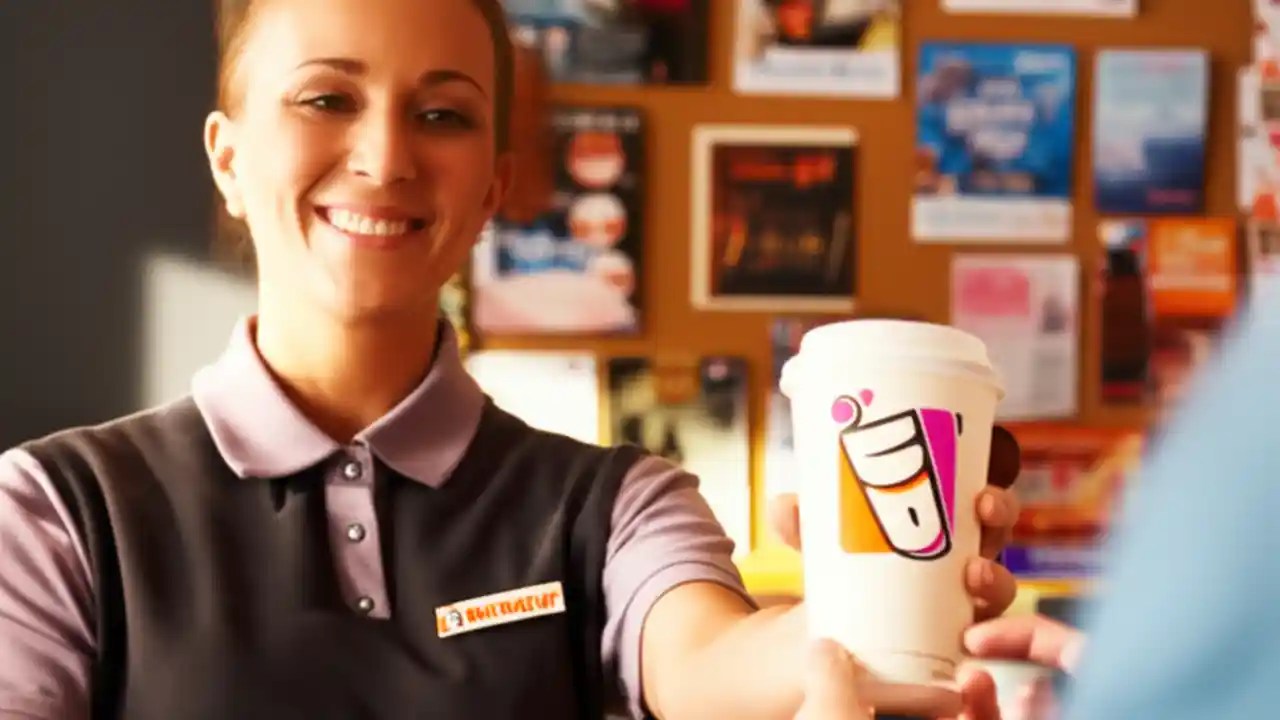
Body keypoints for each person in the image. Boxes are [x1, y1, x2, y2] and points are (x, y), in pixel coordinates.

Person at [0, 1, 1023, 718]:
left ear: (492, 188)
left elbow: (703, 662)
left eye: (440, 114)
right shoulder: (54, 512)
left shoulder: (616, 508)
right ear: (228, 158)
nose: (386, 158)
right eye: (325, 99)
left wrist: (877, 602)